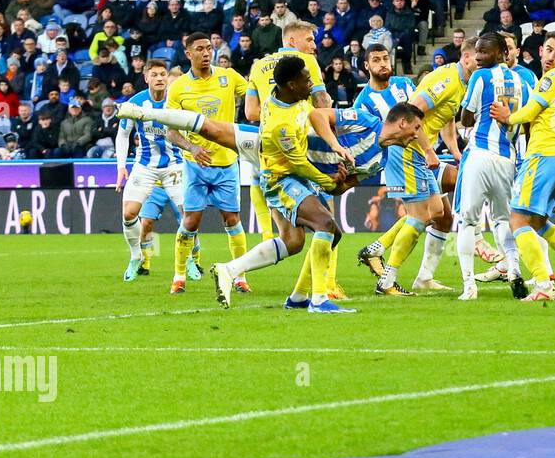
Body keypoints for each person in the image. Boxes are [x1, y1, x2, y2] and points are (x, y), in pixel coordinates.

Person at [118, 63, 426, 308]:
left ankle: (246, 276)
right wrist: (335, 147)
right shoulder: (367, 120)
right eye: (416, 128)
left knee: (297, 241)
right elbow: (320, 116)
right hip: (277, 156)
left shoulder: (380, 160)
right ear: (401, 123)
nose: (418, 135)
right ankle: (144, 113)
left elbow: (337, 188)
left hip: (292, 171)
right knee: (212, 129)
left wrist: (337, 180)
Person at [358, 40, 476, 295]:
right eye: (376, 60)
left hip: (419, 153)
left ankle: (376, 249)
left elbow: (438, 117)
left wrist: (453, 150)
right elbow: (412, 113)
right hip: (407, 152)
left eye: (385, 58)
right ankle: (387, 280)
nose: (383, 64)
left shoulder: (409, 84)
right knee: (420, 216)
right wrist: (428, 149)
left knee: (436, 210)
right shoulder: (446, 80)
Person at [489, 31, 555, 301]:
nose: (551, 56)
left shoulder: (553, 78)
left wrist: (509, 117)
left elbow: (530, 112)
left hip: (544, 156)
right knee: (538, 222)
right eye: (548, 50)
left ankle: (543, 285)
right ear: (540, 50)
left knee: (517, 220)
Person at [242, 21, 338, 289]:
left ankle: (236, 269)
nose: (314, 45)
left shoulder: (258, 66)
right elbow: (321, 104)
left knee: (292, 238)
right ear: (292, 41)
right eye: (309, 39)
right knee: (326, 218)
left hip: (268, 146)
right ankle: (327, 286)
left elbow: (251, 113)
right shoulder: (305, 61)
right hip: (303, 144)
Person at [165, 32, 251, 295]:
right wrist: (192, 147)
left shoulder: (229, 77)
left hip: (226, 161)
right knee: (191, 220)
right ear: (188, 54)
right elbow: (171, 130)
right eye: (200, 49)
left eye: (209, 48)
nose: (206, 52)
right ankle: (179, 275)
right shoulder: (178, 87)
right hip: (195, 164)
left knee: (232, 219)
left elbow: (255, 96)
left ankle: (240, 276)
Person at [454, 34, 531, 300]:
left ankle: (469, 286)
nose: (478, 57)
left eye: (484, 52)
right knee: (502, 219)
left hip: (480, 154)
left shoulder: (480, 76)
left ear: (500, 54)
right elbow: (528, 120)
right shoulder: (523, 80)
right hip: (507, 159)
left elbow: (466, 118)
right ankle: (513, 268)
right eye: (477, 52)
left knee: (467, 221)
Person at [114, 59, 199, 283]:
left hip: (175, 165)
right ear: (146, 78)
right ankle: (136, 257)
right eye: (155, 75)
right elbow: (123, 134)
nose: (160, 78)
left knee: (188, 214)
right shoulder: (136, 103)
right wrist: (121, 167)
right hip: (145, 166)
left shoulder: (178, 100)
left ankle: (190, 258)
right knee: (129, 213)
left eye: (163, 74)